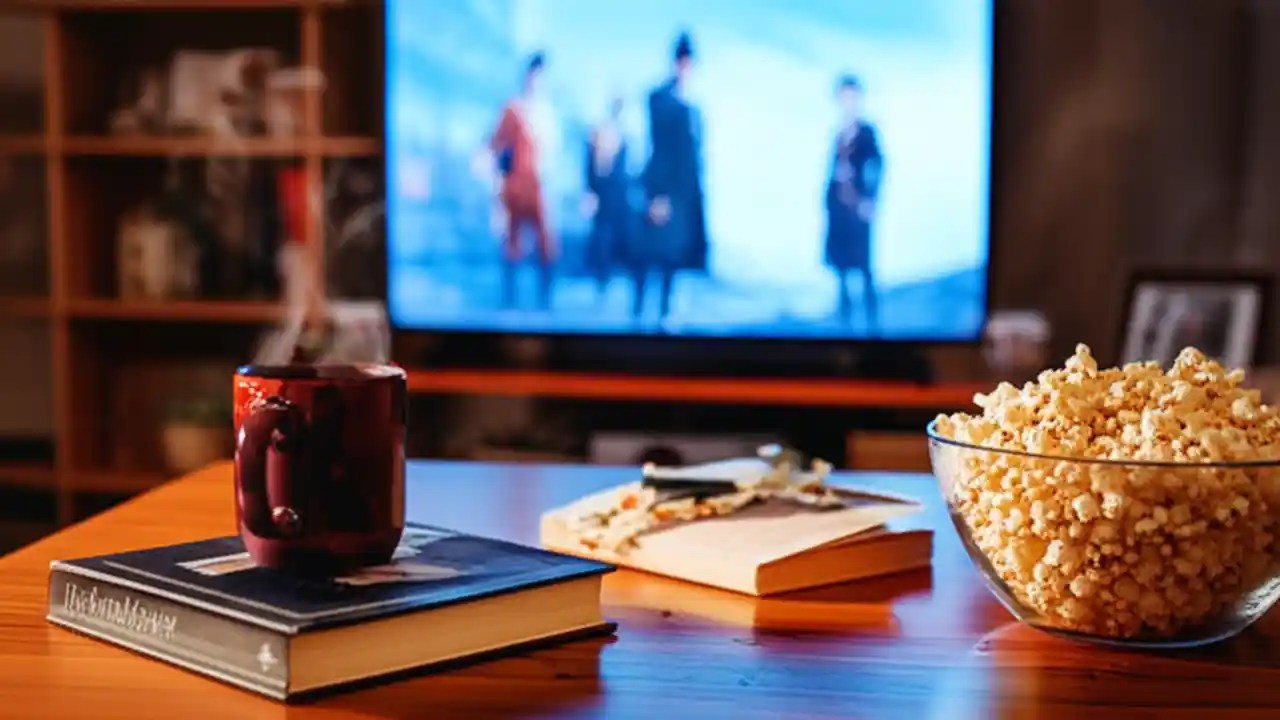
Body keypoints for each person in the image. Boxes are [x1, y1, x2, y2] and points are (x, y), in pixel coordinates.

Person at [635, 31, 708, 324]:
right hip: (663, 191)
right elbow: (660, 150)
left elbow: (695, 156)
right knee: (651, 252)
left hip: (686, 194)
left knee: (674, 257)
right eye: (682, 61)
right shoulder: (660, 98)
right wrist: (657, 194)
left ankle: (666, 314)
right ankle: (639, 316)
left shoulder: (693, 106)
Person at [489, 52, 555, 309]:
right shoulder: (514, 108)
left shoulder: (547, 112)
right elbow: (497, 144)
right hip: (516, 183)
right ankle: (510, 299)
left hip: (538, 184)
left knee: (545, 243)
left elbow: (551, 153)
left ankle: (544, 300)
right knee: (512, 241)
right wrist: (498, 182)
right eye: (536, 75)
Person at [824, 74, 883, 332]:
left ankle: (873, 330)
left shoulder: (867, 132)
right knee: (842, 270)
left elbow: (877, 165)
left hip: (859, 210)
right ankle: (844, 328)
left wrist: (869, 198)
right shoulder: (839, 134)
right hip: (839, 211)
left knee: (864, 268)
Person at [583, 96, 632, 299]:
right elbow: (589, 164)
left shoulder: (624, 132)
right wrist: (589, 191)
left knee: (614, 236)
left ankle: (610, 274)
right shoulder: (600, 130)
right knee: (602, 236)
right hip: (602, 192)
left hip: (618, 193)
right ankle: (600, 277)